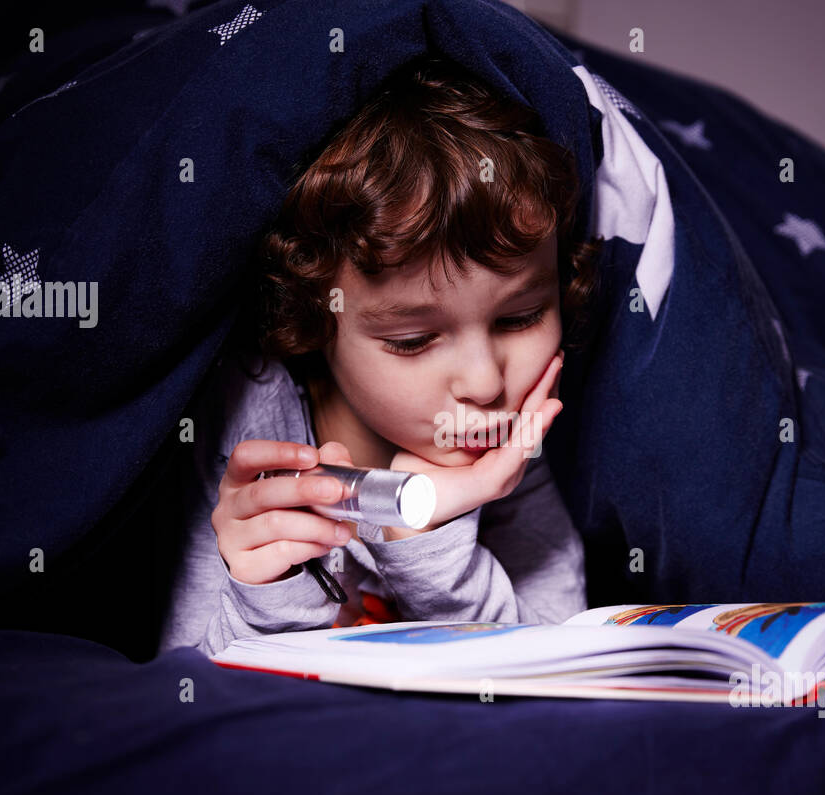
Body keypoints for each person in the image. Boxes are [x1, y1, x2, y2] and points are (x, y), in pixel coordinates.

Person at [158, 55, 604, 656]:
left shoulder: (506, 450)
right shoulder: (251, 422)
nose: (484, 382)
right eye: (413, 340)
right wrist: (267, 591)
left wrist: (427, 533)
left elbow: (550, 664)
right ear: (313, 315)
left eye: (520, 317)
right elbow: (188, 698)